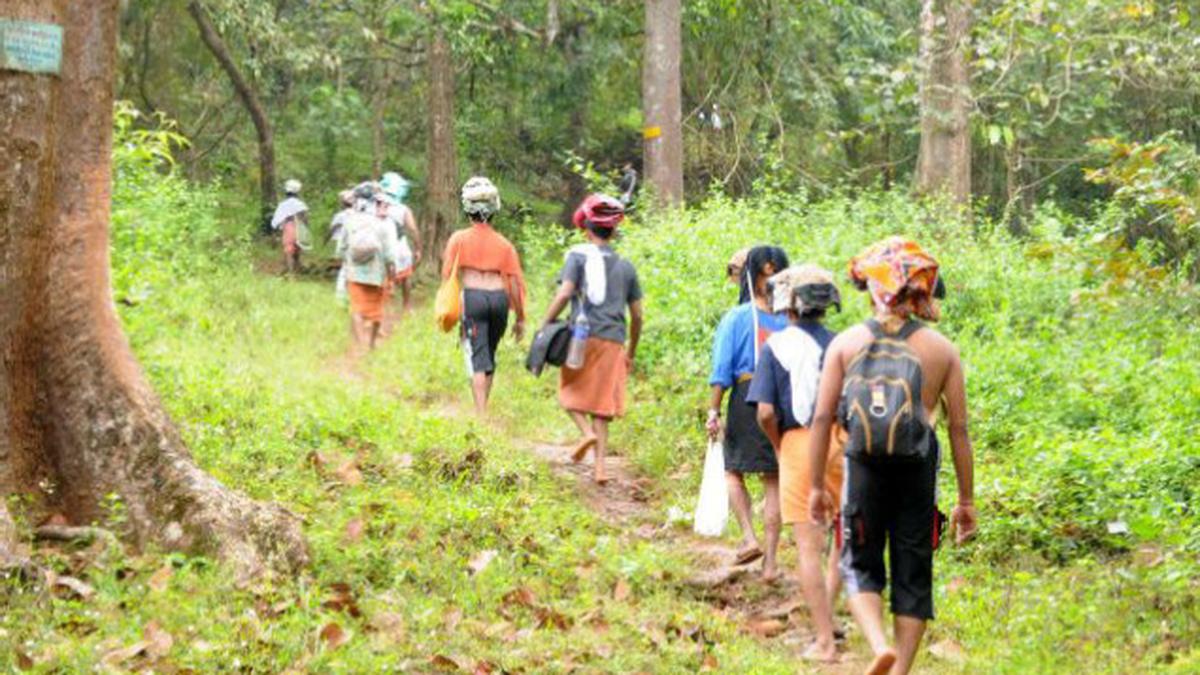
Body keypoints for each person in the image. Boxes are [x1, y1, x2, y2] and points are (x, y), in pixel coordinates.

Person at [808, 237, 977, 675]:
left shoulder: (846, 343)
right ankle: (898, 670)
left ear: (873, 287)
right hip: (917, 467)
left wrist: (814, 487)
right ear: (920, 291)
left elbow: (823, 417)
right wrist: (966, 501)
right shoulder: (942, 351)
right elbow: (959, 430)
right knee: (913, 569)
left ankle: (879, 644)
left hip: (863, 463)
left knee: (858, 562)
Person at [747, 264, 844, 662]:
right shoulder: (844, 343)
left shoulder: (775, 347)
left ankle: (823, 640)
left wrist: (781, 445)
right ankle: (832, 615)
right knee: (842, 537)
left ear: (785, 303)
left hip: (801, 444)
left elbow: (766, 412)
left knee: (808, 546)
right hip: (844, 442)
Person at [539, 194, 643, 485]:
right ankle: (600, 469)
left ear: (586, 228)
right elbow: (637, 316)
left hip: (580, 337)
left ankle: (585, 434)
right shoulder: (626, 267)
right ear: (614, 230)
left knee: (568, 392)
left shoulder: (577, 256)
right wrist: (631, 351)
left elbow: (564, 293)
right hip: (613, 339)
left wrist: (544, 324)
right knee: (602, 405)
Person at [706, 245, 790, 578]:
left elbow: (721, 370)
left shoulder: (737, 317)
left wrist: (713, 411)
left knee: (733, 471)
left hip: (746, 395)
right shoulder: (789, 319)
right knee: (774, 479)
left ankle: (748, 537)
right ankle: (770, 562)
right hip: (781, 400)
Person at [441, 177, 527, 416]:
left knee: (478, 356)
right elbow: (514, 282)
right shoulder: (505, 244)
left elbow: (447, 275)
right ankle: (484, 408)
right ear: (494, 211)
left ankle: (481, 416)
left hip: (474, 298)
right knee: (489, 352)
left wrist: (453, 308)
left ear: (468, 211)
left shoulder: (458, 239)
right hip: (499, 299)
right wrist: (520, 318)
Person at [336, 184, 398, 353]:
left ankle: (360, 344)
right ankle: (370, 344)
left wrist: (348, 262)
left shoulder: (349, 222)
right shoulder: (381, 224)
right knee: (376, 312)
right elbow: (389, 256)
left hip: (354, 274)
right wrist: (392, 276)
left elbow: (341, 249)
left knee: (356, 309)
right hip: (376, 275)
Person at [380, 172, 422, 315]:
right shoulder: (403, 209)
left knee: (384, 275)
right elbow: (413, 229)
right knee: (406, 277)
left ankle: (386, 307)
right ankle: (407, 306)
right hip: (400, 246)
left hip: (382, 246)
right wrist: (418, 249)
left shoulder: (376, 205)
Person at [271, 179, 309, 275]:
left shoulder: (282, 205)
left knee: (289, 252)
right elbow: (305, 218)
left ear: (286, 191)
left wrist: (275, 232)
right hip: (299, 228)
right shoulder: (301, 204)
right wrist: (306, 230)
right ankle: (296, 270)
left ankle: (291, 274)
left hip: (289, 227)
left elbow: (276, 221)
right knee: (297, 251)